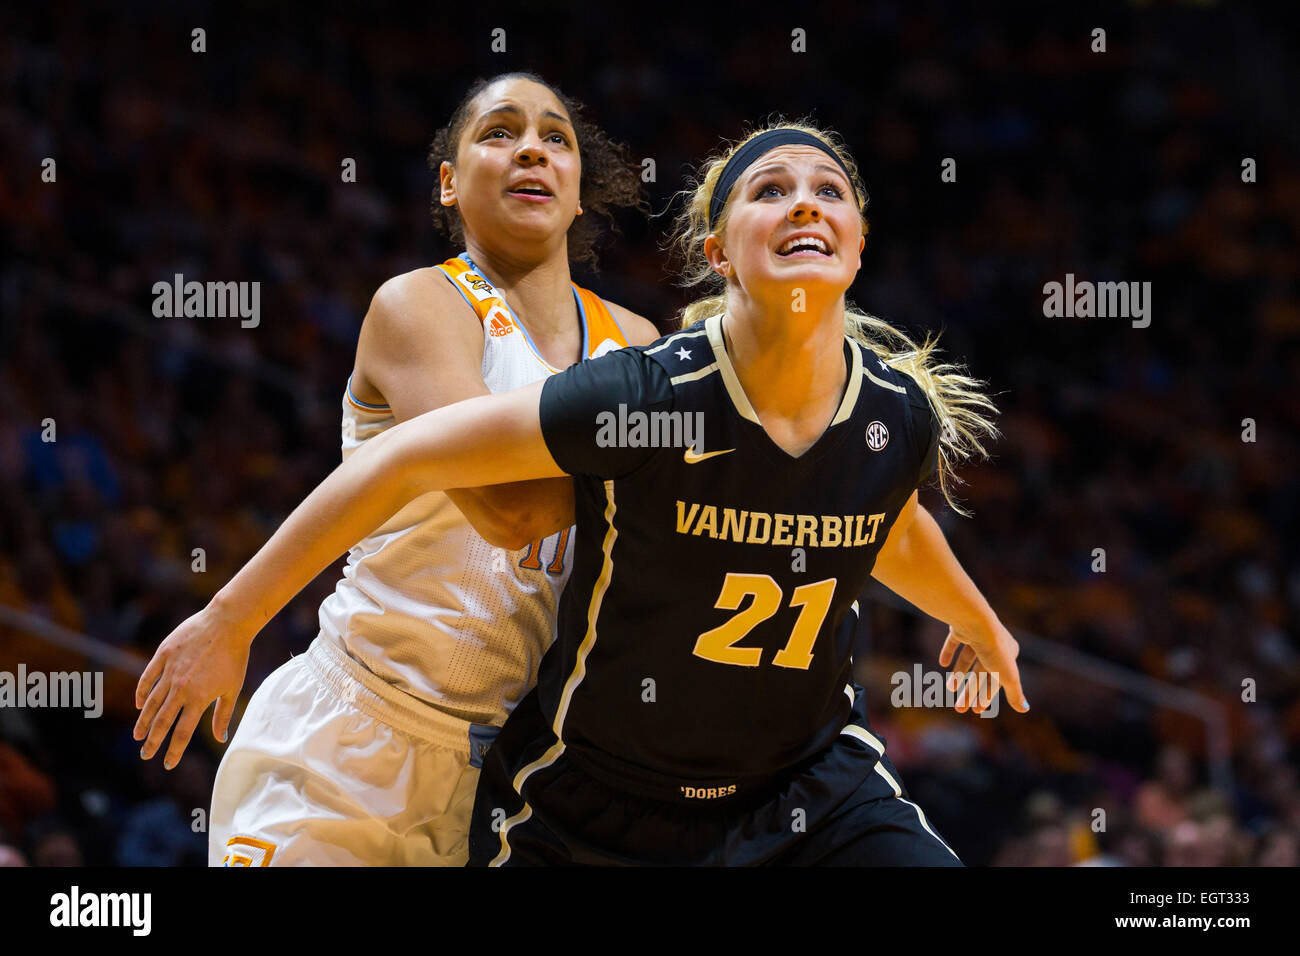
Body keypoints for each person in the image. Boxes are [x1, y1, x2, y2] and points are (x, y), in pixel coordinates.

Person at [138, 120, 1027, 867]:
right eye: (770, 190)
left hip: (806, 790)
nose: (803, 202)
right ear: (717, 252)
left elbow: (886, 522)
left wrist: (976, 617)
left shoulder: (896, 415)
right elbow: (402, 458)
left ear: (861, 239)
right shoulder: (645, 400)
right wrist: (230, 616)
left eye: (829, 191)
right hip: (601, 811)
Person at [133, 72, 660, 866]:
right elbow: (508, 507)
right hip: (351, 734)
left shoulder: (635, 337)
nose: (532, 150)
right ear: (448, 183)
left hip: (510, 776)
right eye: (500, 132)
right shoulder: (420, 305)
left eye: (557, 139)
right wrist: (231, 617)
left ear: (579, 191)